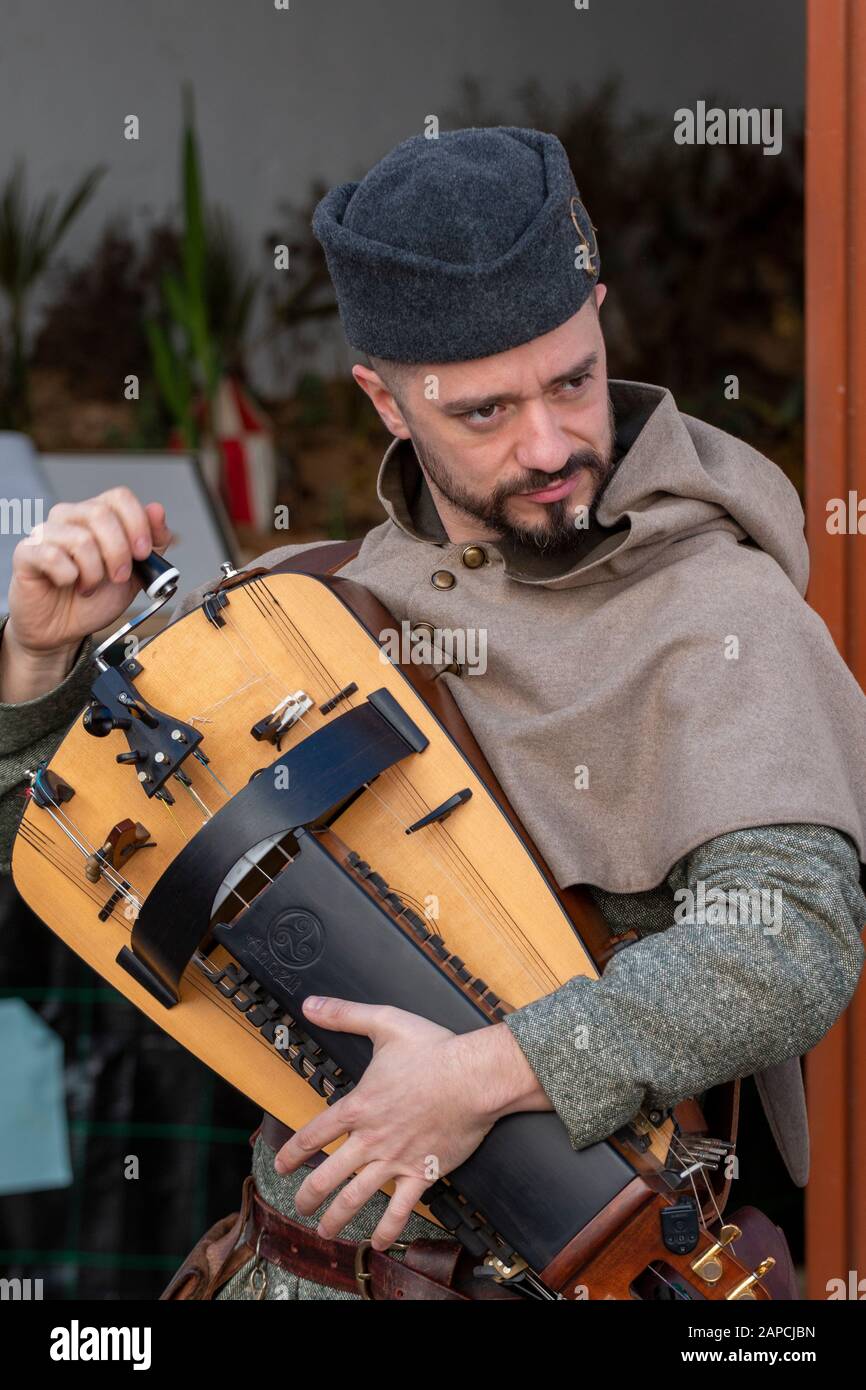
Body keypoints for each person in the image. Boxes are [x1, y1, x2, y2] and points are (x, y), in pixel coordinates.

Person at [1, 127, 865, 1302]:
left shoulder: (717, 610)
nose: (550, 443)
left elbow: (785, 944)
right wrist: (39, 663)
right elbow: (69, 862)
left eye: (569, 379)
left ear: (598, 312)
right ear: (384, 399)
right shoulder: (305, 609)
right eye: (484, 411)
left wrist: (483, 1075)